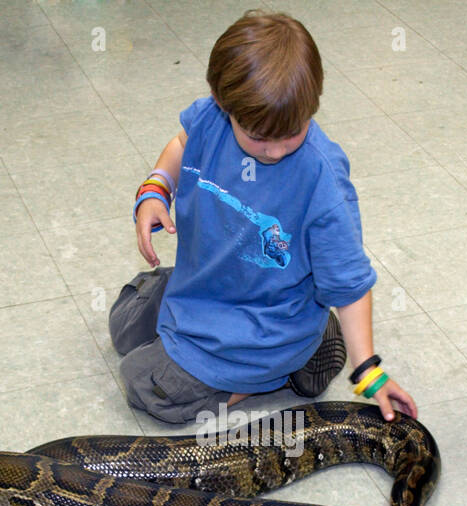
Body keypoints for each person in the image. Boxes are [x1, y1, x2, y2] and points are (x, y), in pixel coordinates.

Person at [109, 10, 415, 424]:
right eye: (257, 136)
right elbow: (181, 144)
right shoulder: (209, 119)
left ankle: (273, 371)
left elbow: (349, 284)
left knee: (144, 385)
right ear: (224, 105)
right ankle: (302, 344)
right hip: (205, 286)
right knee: (124, 325)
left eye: (292, 133)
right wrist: (155, 189)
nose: (274, 152)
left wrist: (369, 373)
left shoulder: (322, 179)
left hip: (263, 327)